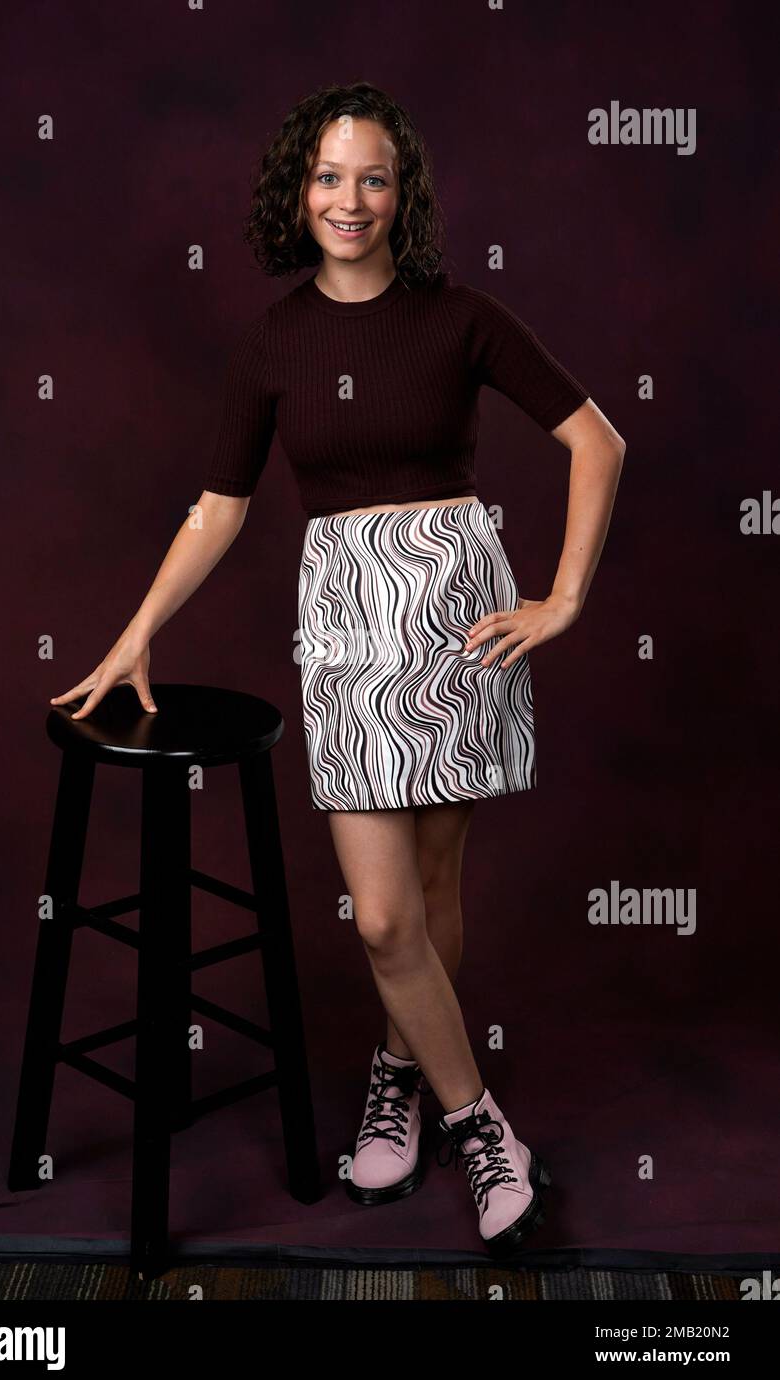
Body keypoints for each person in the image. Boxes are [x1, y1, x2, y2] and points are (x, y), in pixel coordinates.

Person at [50, 82, 625, 1255]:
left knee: (434, 891)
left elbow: (593, 438)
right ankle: (480, 1125)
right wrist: (137, 627)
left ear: (399, 190)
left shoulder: (458, 316)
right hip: (349, 627)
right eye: (326, 176)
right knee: (379, 918)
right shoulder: (272, 341)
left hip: (458, 612)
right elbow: (218, 508)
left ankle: (396, 1077)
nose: (348, 198)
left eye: (371, 176)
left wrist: (563, 597)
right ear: (295, 193)